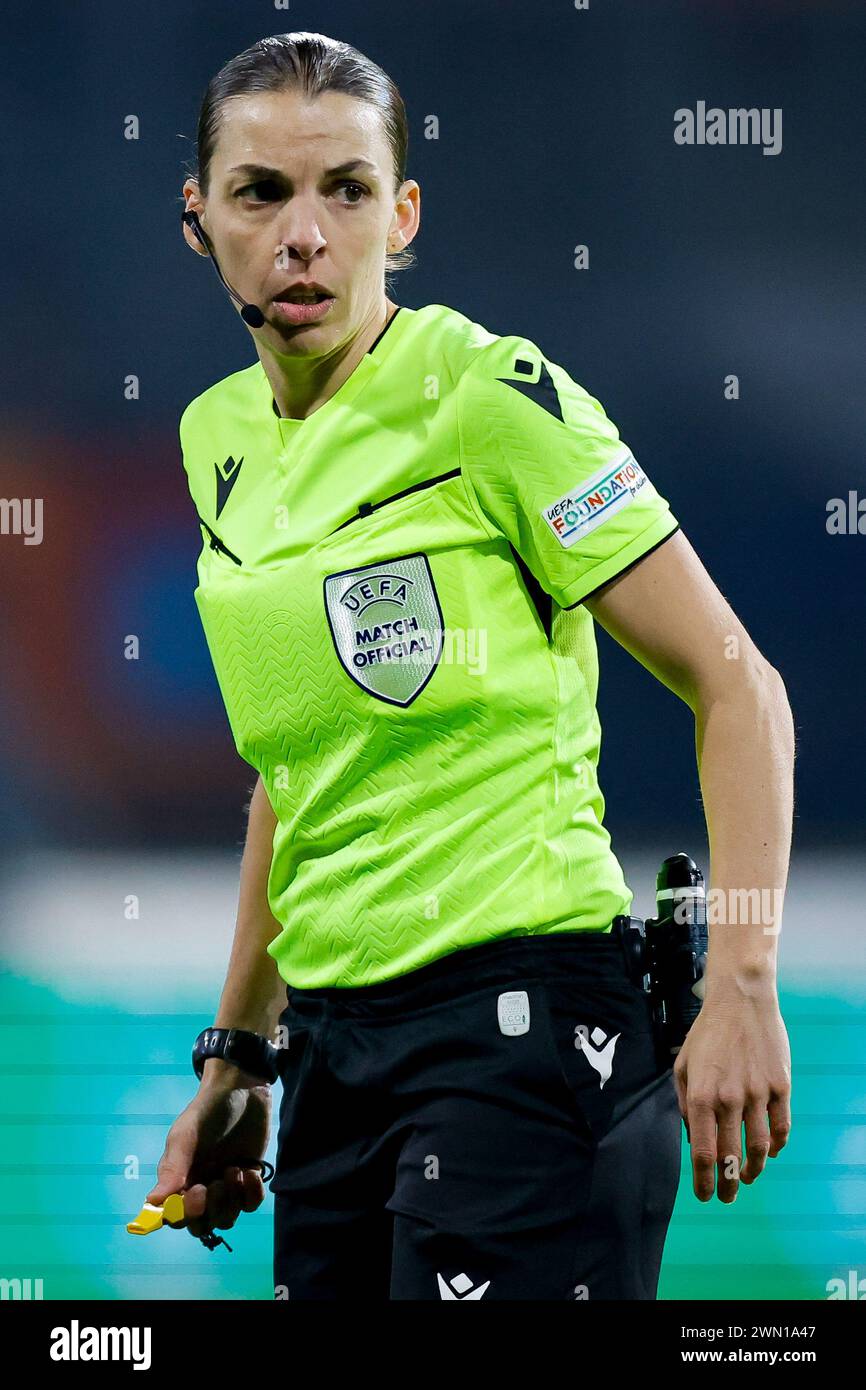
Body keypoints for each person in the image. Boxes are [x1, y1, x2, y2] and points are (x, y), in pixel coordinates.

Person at [149, 31, 794, 1301]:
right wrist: (237, 1062)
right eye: (260, 193)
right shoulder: (212, 439)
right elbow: (300, 770)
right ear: (197, 218)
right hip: (335, 1060)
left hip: (523, 1035)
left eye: (345, 190)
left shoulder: (489, 397)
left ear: (403, 214)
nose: (304, 234)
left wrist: (742, 984)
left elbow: (738, 684)